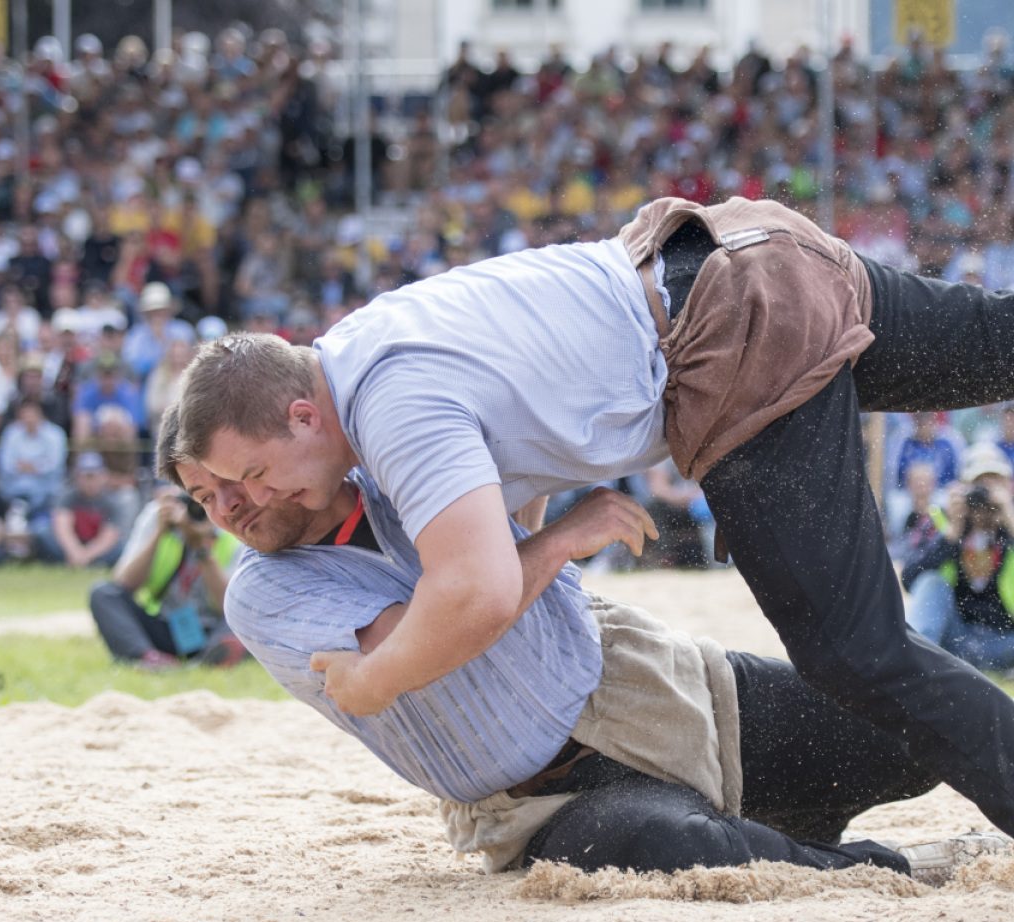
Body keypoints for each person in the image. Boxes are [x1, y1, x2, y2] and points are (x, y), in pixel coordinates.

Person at [174, 195, 1014, 837]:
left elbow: (476, 590)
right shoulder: (370, 345)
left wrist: (374, 679)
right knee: (994, 345)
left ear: (301, 416)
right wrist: (548, 537)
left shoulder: (390, 407)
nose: (263, 496)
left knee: (853, 653)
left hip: (732, 335)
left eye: (255, 471)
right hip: (745, 253)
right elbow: (516, 479)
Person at [154, 405, 970, 882]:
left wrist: (540, 508)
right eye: (202, 497)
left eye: (238, 478)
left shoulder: (403, 465)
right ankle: (889, 867)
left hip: (657, 688)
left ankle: (795, 815)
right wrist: (558, 542)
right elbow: (423, 639)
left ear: (292, 439)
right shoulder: (264, 589)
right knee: (677, 844)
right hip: (539, 801)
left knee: (913, 727)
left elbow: (525, 477)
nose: (227, 507)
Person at [89, 480, 243, 670]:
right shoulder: (157, 514)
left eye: (203, 502)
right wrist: (160, 531)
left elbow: (229, 607)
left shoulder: (232, 521)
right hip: (165, 623)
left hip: (212, 629)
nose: (194, 510)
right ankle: (148, 657)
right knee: (103, 593)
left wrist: (201, 546)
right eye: (189, 501)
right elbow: (124, 582)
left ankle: (210, 658)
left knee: (244, 615)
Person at [904, 443, 1014, 673]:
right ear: (963, 488)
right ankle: (915, 667)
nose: (984, 494)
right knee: (931, 581)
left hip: (1006, 640)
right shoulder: (944, 520)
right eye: (979, 485)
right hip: (956, 638)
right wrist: (952, 534)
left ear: (1008, 487)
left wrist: (1008, 519)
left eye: (993, 484)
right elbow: (910, 578)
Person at [37, 451, 122, 567]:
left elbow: (109, 536)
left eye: (93, 477)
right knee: (43, 534)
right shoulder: (67, 495)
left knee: (121, 547)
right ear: (77, 477)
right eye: (86, 477)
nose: (90, 482)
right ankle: (84, 562)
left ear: (103, 477)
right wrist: (75, 552)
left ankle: (82, 562)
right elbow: (62, 528)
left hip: (95, 546)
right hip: (71, 543)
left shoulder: (111, 501)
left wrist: (85, 556)